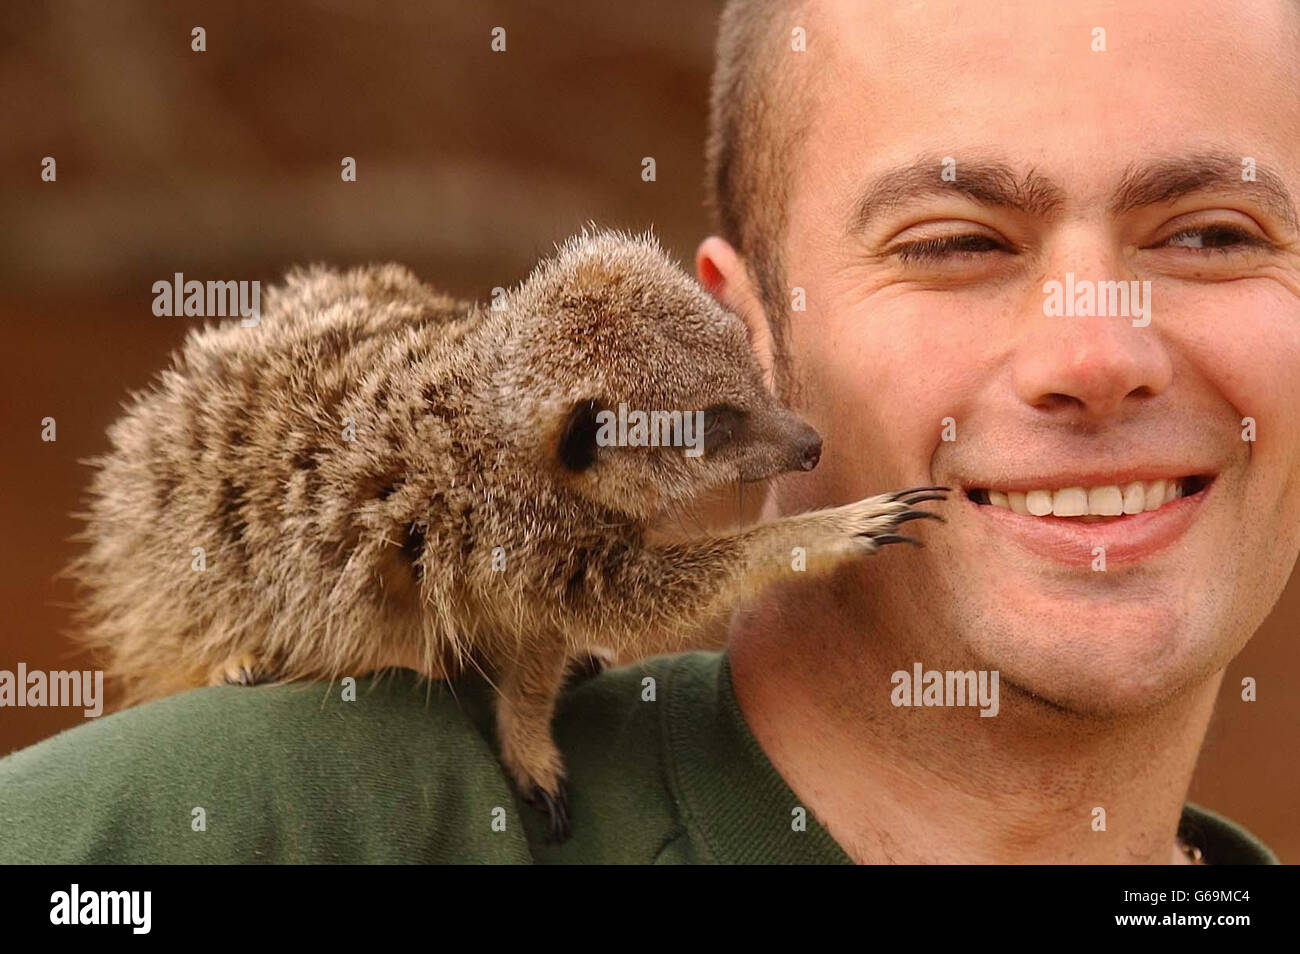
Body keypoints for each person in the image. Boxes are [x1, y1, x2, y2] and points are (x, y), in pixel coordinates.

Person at [1, 0, 1293, 864]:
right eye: (954, 244)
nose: (1096, 354)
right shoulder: (200, 831)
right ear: (751, 328)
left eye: (1215, 234)